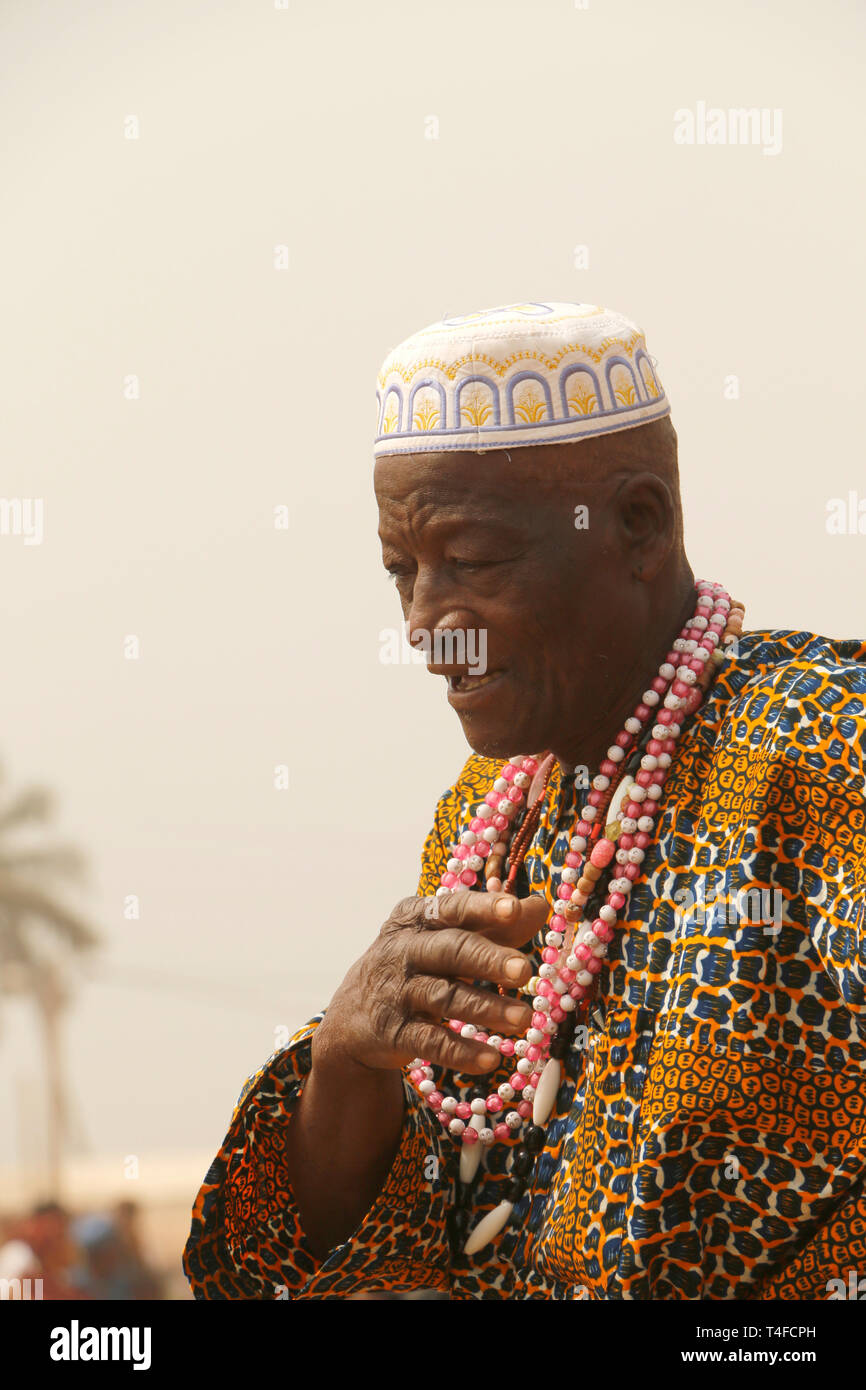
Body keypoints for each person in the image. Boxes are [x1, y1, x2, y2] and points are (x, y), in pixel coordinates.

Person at [184, 302, 866, 1300]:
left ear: (636, 525)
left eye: (469, 562)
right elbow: (325, 1259)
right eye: (400, 572)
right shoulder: (485, 821)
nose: (424, 626)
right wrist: (345, 1060)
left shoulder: (821, 744)